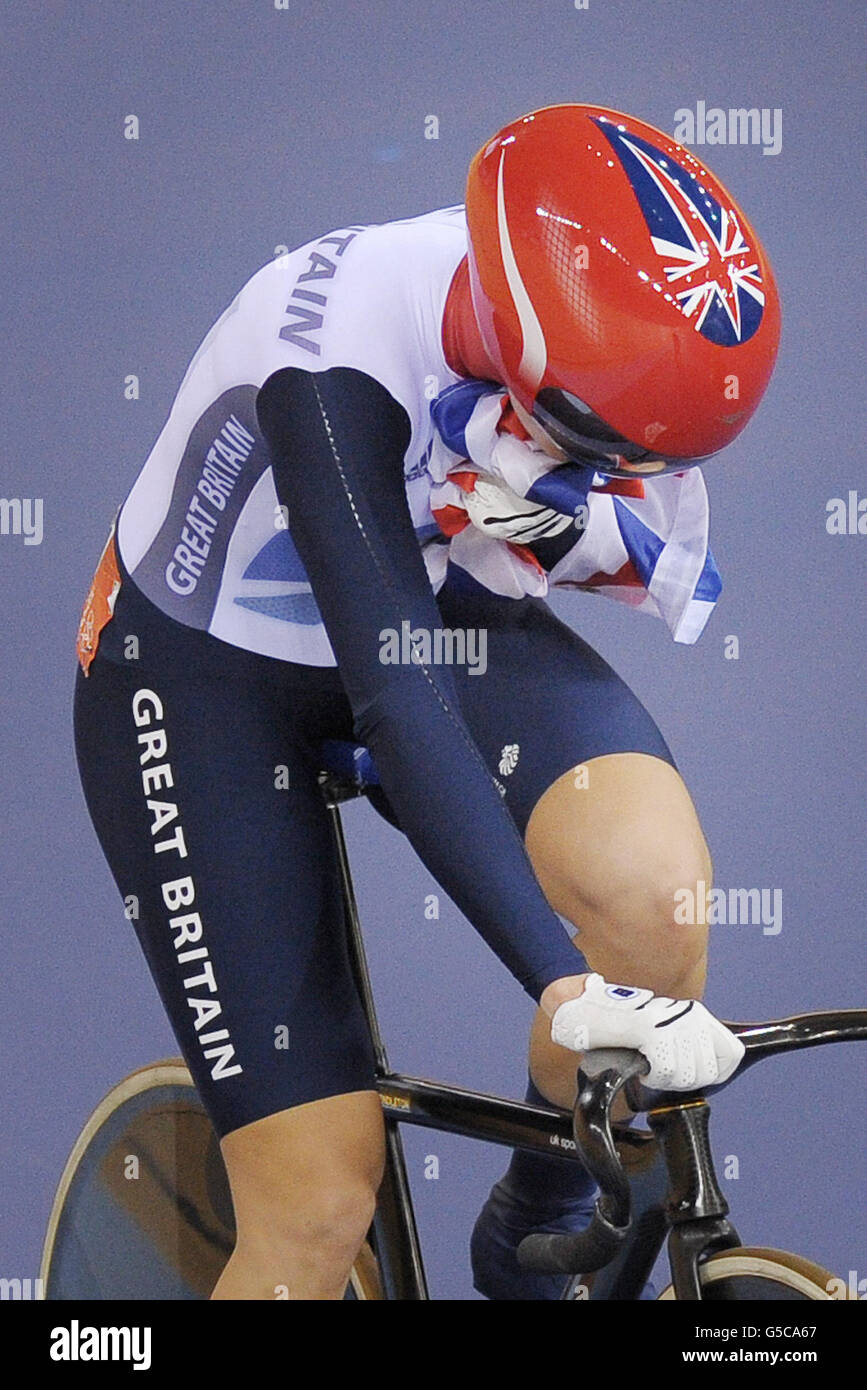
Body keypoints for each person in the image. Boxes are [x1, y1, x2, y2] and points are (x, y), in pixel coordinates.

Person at [72, 103, 780, 1300]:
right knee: (316, 1210)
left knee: (654, 903)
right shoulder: (334, 353)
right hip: (198, 677)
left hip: (418, 590)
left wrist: (606, 984)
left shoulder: (539, 316)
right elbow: (397, 696)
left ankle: (540, 1228)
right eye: (589, 441)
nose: (605, 479)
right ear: (517, 339)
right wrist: (564, 992)